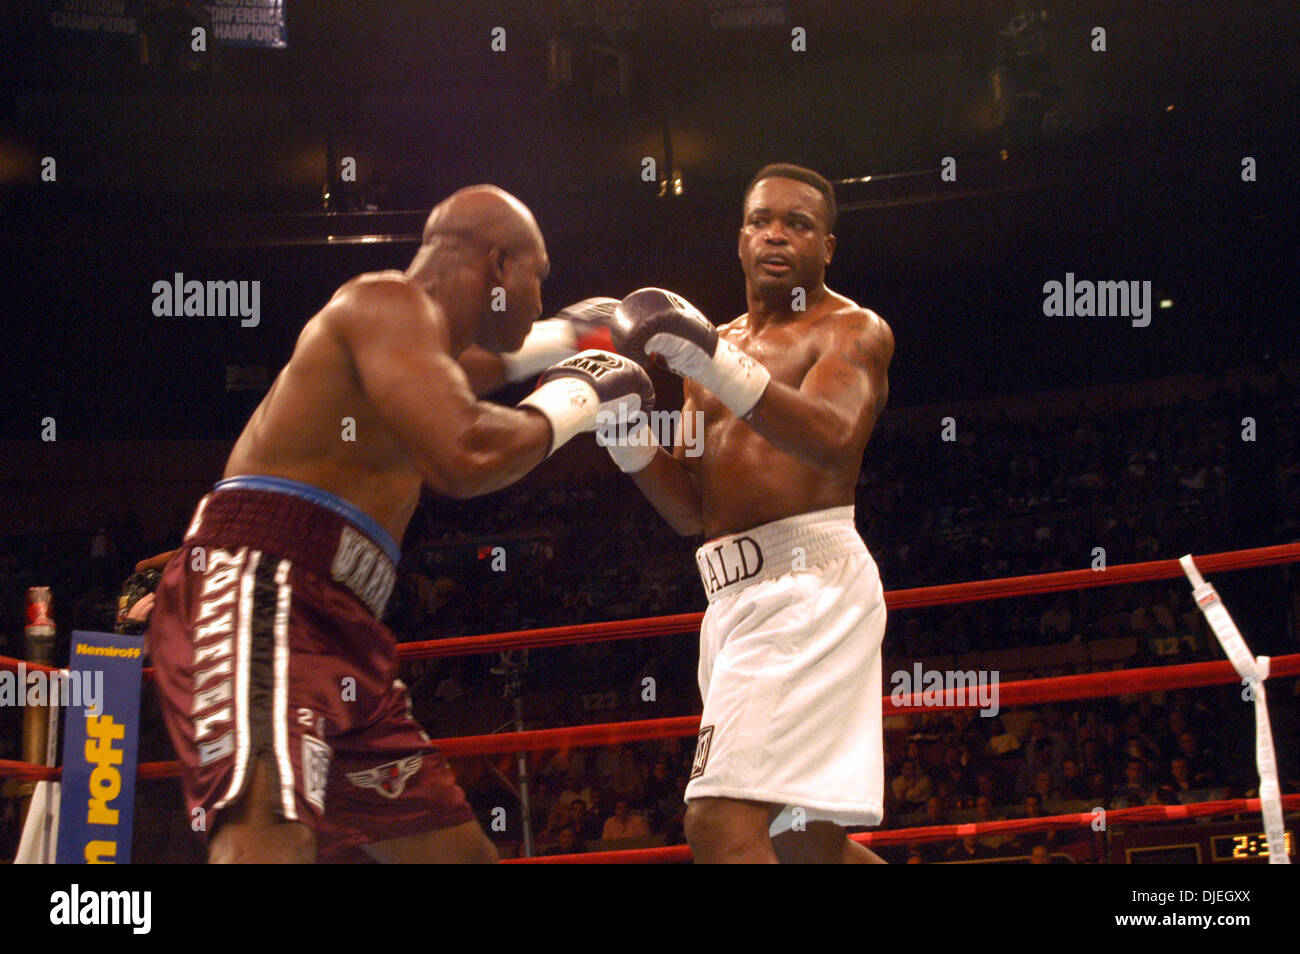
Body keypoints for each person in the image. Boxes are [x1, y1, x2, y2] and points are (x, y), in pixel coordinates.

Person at [148, 185, 653, 863]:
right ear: (499, 264)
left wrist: (580, 335)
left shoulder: (415, 352)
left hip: (343, 622)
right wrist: (580, 395)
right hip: (264, 587)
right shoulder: (383, 302)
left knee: (457, 856)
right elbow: (466, 453)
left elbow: (479, 369)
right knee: (268, 828)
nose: (541, 297)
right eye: (540, 276)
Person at [608, 163, 894, 863]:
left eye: (798, 224)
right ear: (739, 238)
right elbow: (687, 511)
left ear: (826, 247)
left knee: (717, 823)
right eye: (761, 220)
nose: (776, 234)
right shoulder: (707, 353)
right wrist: (620, 428)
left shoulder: (851, 331)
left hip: (808, 587)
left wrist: (712, 363)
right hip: (729, 599)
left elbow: (831, 438)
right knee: (801, 842)